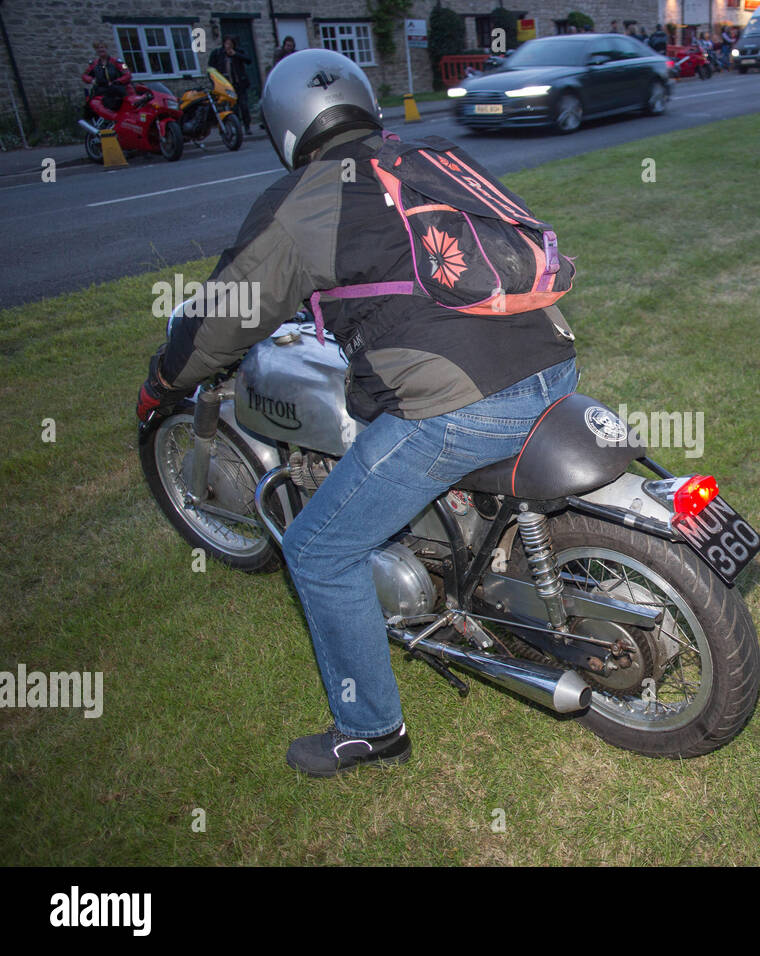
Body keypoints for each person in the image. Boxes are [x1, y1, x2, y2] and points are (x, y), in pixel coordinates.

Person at [134, 49, 579, 778]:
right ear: (366, 103)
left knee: (317, 550)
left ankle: (371, 729)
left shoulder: (307, 196)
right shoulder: (432, 154)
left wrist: (162, 379)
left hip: (461, 405)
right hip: (552, 361)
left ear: (284, 126)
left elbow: (225, 314)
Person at [209, 35, 253, 132]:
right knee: (234, 108)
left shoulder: (238, 52)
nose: (228, 46)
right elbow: (211, 68)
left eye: (230, 44)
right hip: (227, 86)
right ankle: (237, 127)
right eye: (227, 44)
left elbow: (248, 60)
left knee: (244, 106)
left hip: (239, 84)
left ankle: (247, 127)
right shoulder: (218, 53)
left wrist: (235, 54)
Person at [81, 40, 132, 113]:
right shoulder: (94, 64)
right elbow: (84, 75)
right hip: (101, 90)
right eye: (98, 48)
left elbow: (128, 74)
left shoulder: (117, 62)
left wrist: (117, 82)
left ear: (106, 48)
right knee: (90, 107)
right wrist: (91, 80)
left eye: (102, 47)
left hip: (116, 90)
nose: (100, 50)